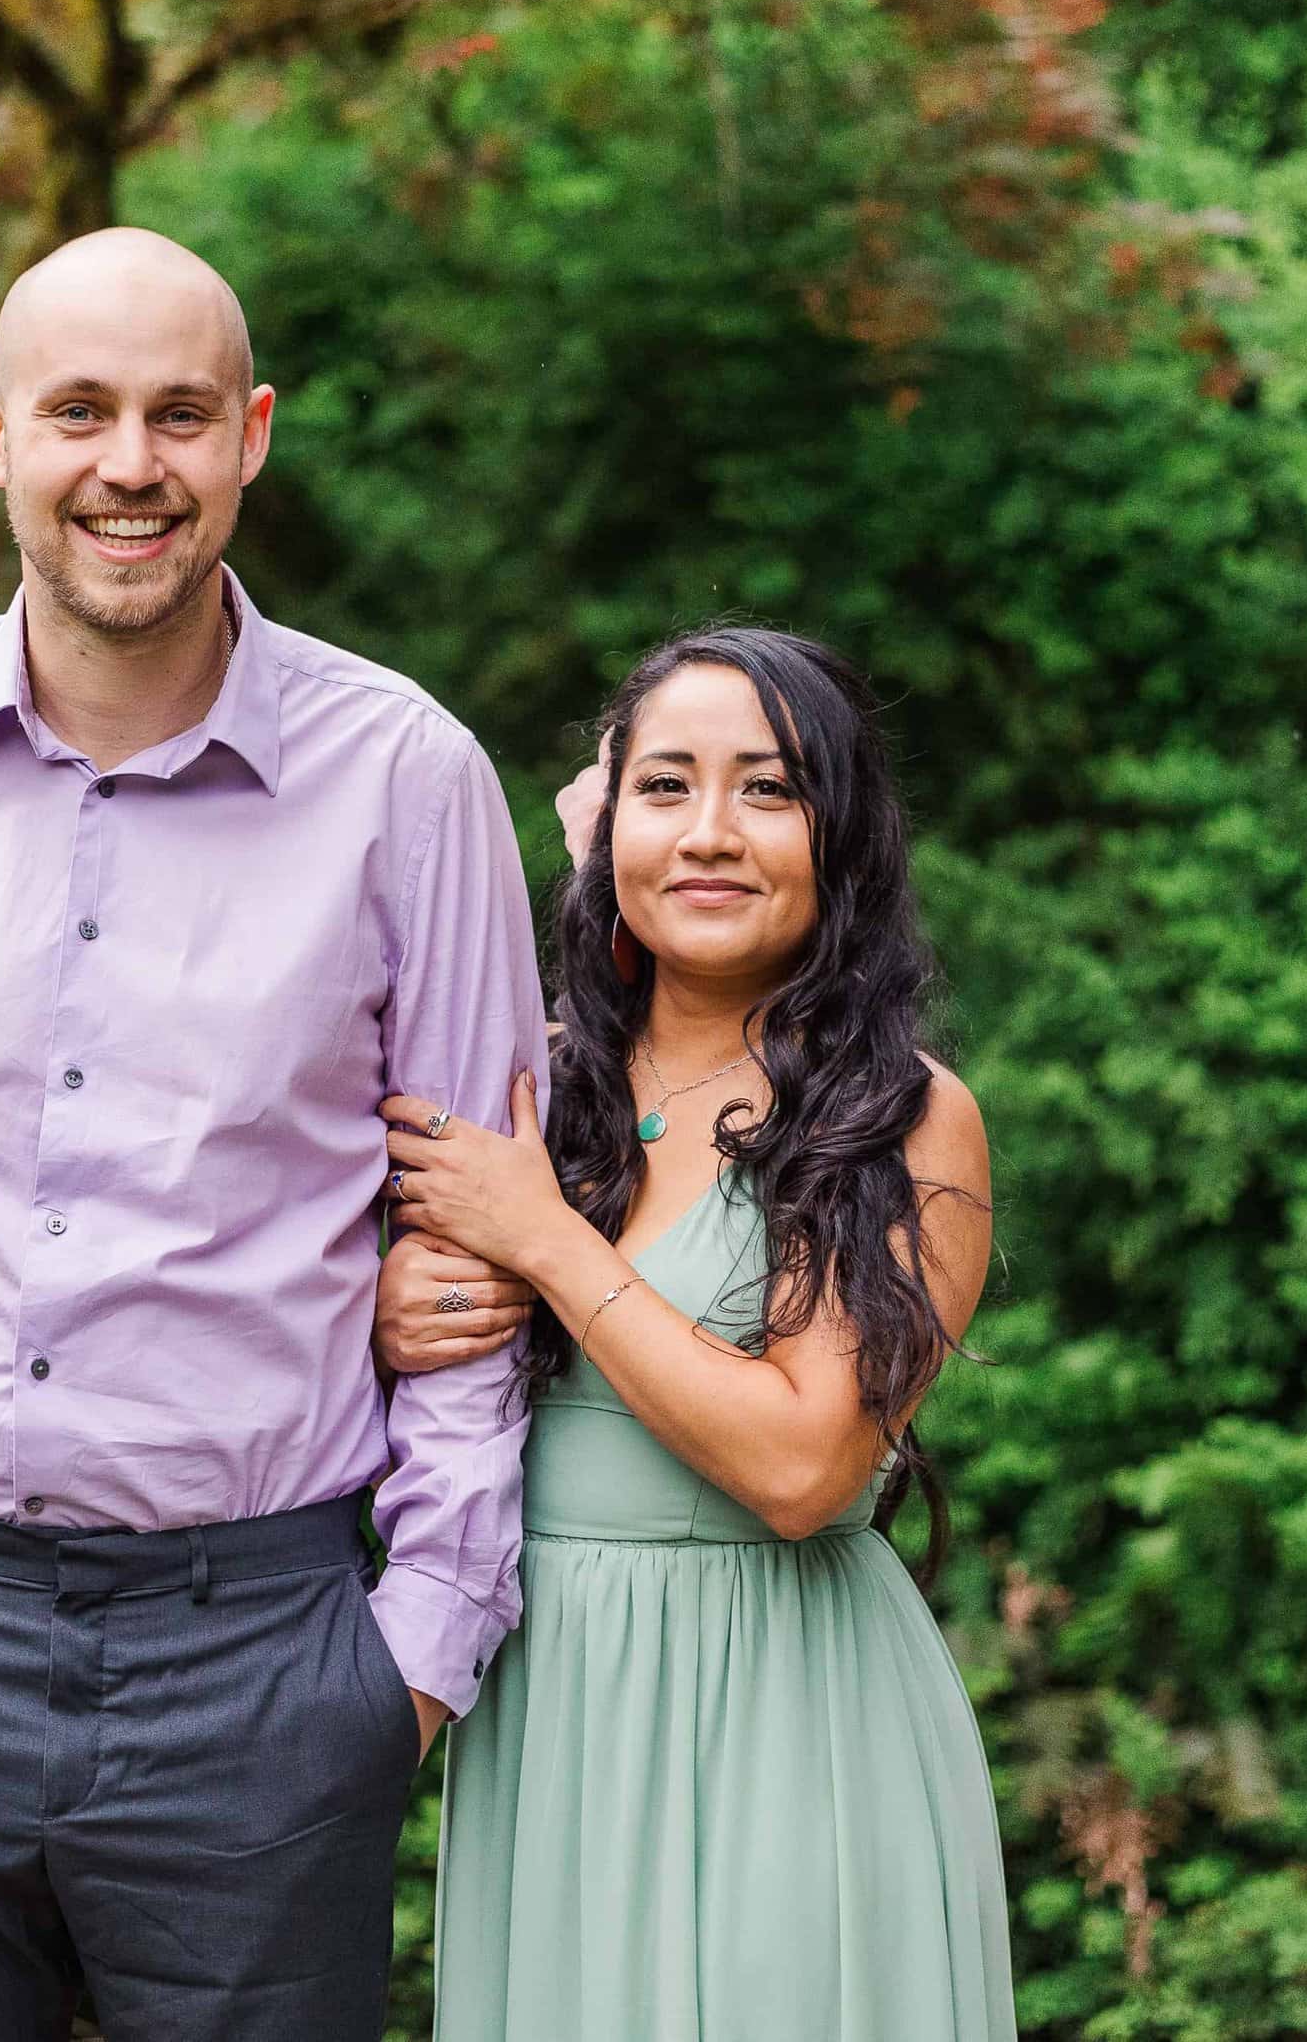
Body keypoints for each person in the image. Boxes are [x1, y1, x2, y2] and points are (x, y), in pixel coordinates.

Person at [0, 225, 550, 2042]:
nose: (129, 464)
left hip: (262, 1672)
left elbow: (483, 1234)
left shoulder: (410, 782)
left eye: (178, 415)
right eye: (79, 412)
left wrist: (425, 1640)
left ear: (251, 438)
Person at [376, 627, 1016, 2040]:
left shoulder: (902, 1119)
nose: (711, 834)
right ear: (606, 834)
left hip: (787, 1721)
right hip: (554, 1720)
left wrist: (547, 1243)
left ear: (839, 836)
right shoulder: (525, 1093)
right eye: (665, 789)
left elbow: (805, 1470)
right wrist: (377, 1323)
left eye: (768, 791)